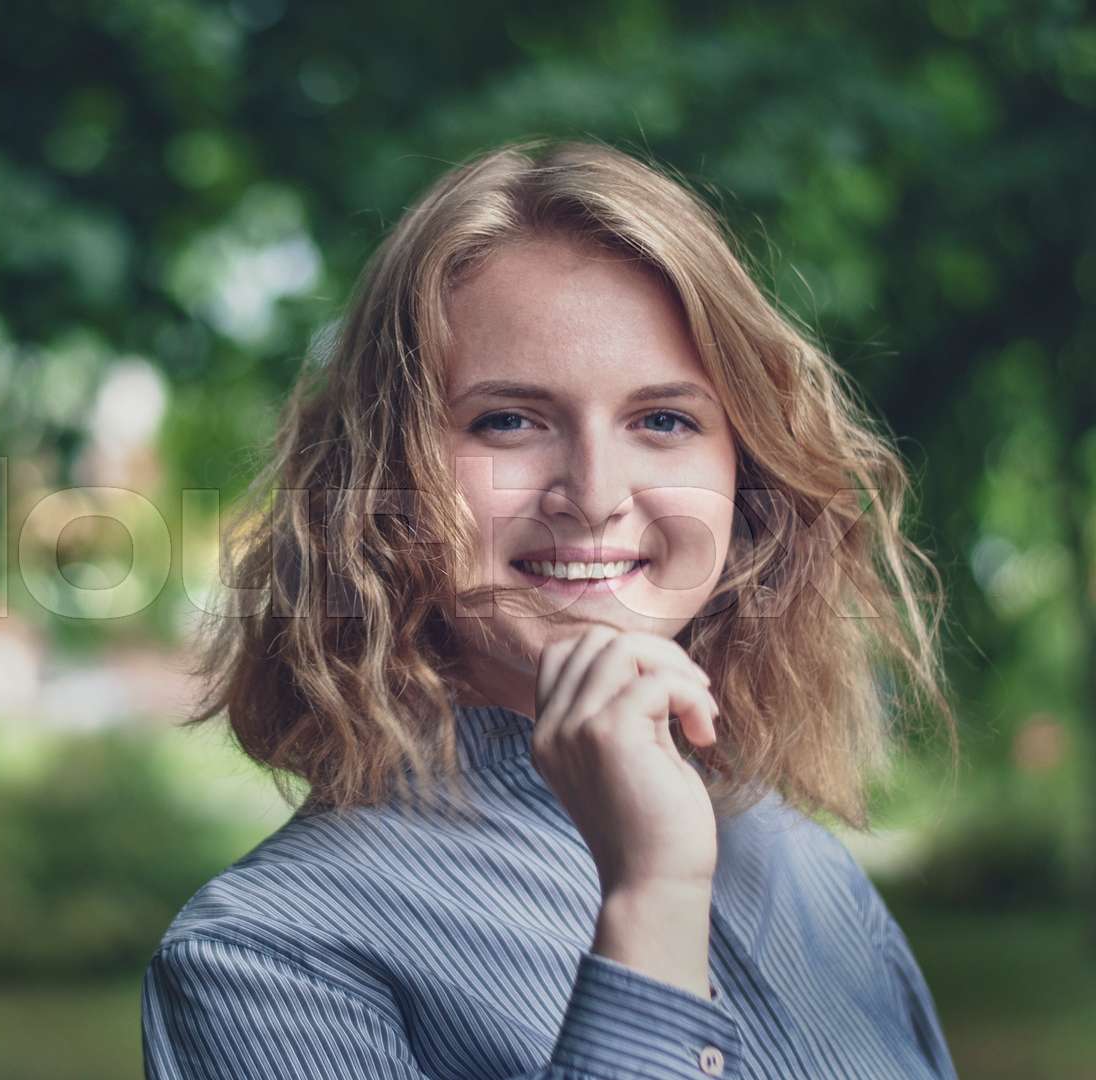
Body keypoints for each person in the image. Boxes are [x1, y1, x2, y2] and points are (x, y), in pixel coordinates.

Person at [141, 137, 959, 1079]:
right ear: (378, 479)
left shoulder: (804, 867)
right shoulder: (265, 958)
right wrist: (651, 902)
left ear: (747, 475)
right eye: (509, 421)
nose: (597, 493)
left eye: (664, 420)